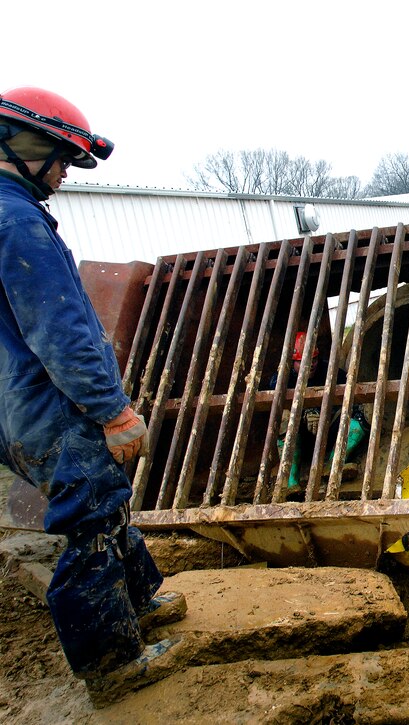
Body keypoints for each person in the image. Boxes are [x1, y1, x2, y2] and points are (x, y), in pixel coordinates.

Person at [0, 86, 189, 705]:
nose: (61, 175)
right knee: (93, 519)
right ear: (26, 146)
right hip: (49, 403)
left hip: (13, 408)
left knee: (104, 499)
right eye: (59, 160)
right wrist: (114, 410)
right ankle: (112, 664)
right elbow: (62, 330)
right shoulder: (18, 221)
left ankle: (142, 599)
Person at [269, 331, 368, 494]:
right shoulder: (281, 378)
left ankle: (333, 466)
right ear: (292, 362)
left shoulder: (330, 371)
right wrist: (304, 412)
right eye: (303, 362)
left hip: (330, 431)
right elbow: (274, 404)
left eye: (314, 359)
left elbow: (351, 397)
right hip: (301, 438)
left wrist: (325, 413)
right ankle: (290, 480)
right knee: (285, 417)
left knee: (363, 411)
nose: (311, 364)